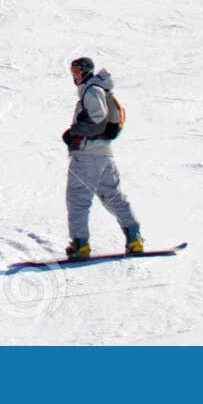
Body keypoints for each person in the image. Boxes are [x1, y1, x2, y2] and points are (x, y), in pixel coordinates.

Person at [61, 57, 142, 259]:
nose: (75, 76)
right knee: (112, 195)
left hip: (87, 154)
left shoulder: (92, 90)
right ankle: (134, 239)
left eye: (78, 71)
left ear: (87, 71)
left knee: (78, 198)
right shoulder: (100, 89)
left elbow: (98, 117)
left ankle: (81, 245)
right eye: (73, 72)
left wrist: (74, 133)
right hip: (103, 153)